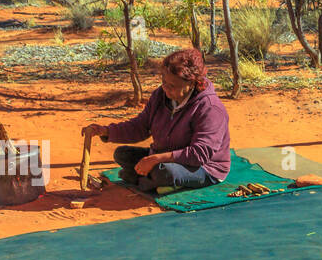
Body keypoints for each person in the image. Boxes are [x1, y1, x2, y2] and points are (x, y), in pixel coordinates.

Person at [82, 48, 230, 194]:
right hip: (164, 155)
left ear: (191, 83)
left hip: (203, 167)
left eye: (172, 86)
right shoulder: (160, 95)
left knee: (164, 172)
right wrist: (106, 131)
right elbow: (140, 126)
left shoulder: (210, 108)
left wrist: (156, 159)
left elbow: (199, 154)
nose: (165, 88)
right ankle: (151, 179)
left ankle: (146, 180)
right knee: (122, 155)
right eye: (163, 81)